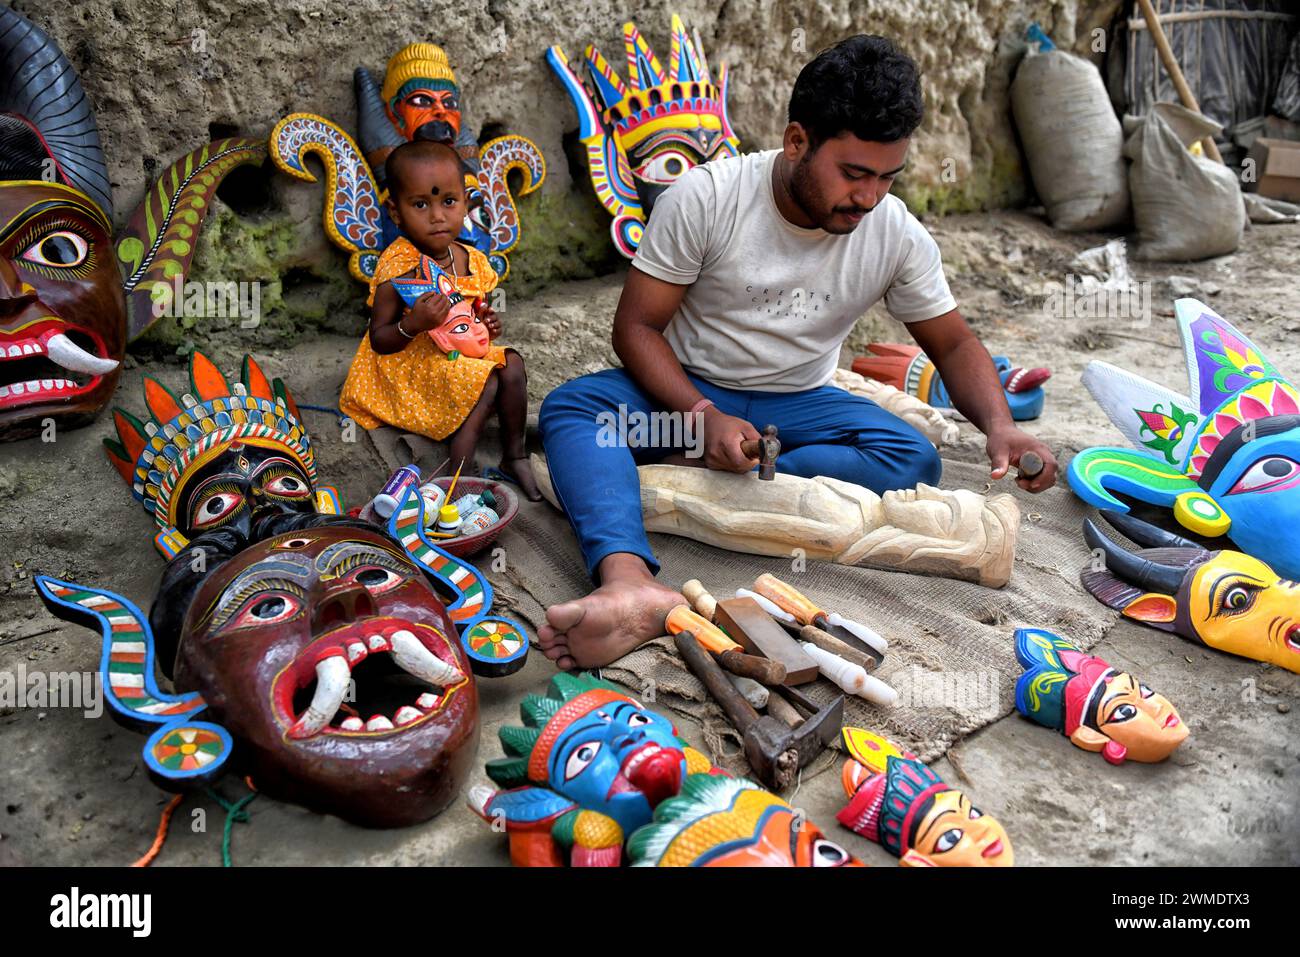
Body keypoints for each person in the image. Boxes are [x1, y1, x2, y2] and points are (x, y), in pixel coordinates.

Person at [536, 35, 1058, 670]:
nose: (868, 198)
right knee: (574, 410)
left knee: (911, 454)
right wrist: (702, 417)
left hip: (800, 404)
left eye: (887, 177)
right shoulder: (705, 198)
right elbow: (636, 330)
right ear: (796, 142)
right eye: (854, 174)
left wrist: (1001, 427)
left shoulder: (893, 232)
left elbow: (952, 341)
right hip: (683, 392)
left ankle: (712, 470)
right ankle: (628, 581)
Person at [340, 140, 540, 499]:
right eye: (420, 204)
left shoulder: (469, 259)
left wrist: (487, 322)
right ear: (395, 211)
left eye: (448, 201)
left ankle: (515, 455)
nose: (437, 215)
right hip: (408, 360)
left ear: (465, 202)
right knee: (487, 381)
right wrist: (413, 324)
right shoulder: (399, 265)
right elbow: (379, 340)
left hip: (453, 351)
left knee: (511, 364)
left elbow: (472, 310)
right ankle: (459, 473)